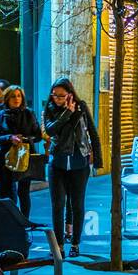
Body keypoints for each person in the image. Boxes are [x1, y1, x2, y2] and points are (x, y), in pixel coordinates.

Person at [43, 78, 102, 258]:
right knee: (58, 205)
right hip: (58, 163)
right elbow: (51, 131)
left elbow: (93, 132)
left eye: (62, 96)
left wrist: (98, 161)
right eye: (55, 96)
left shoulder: (81, 107)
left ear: (70, 94)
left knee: (77, 204)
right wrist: (66, 114)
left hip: (79, 163)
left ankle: (75, 243)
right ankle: (59, 245)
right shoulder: (50, 109)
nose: (58, 99)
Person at [0, 84, 43, 224]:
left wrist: (25, 139)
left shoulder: (29, 113)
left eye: (19, 96)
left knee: (24, 191)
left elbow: (38, 135)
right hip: (7, 157)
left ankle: (25, 221)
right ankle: (9, 221)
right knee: (8, 192)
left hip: (24, 156)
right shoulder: (1, 115)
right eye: (13, 96)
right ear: (7, 98)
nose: (16, 99)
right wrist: (10, 138)